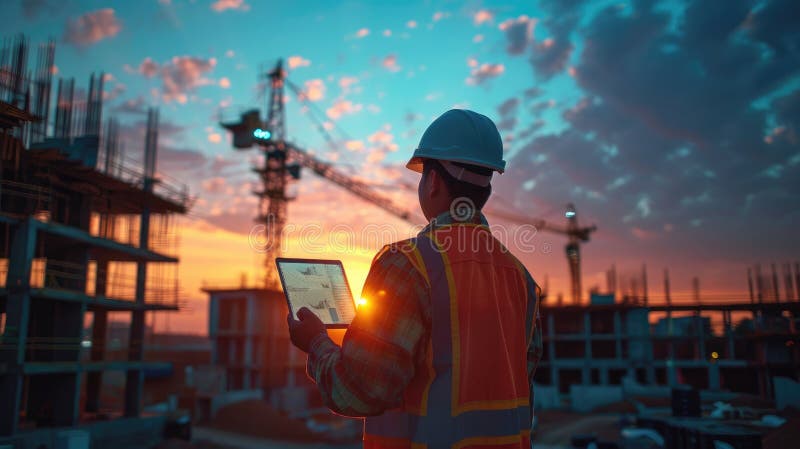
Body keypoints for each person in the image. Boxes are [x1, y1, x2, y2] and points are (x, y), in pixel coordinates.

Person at [288, 109, 542, 449]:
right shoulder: (520, 278)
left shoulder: (408, 264)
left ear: (434, 181)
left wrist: (316, 342)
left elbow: (358, 391)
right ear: (487, 189)